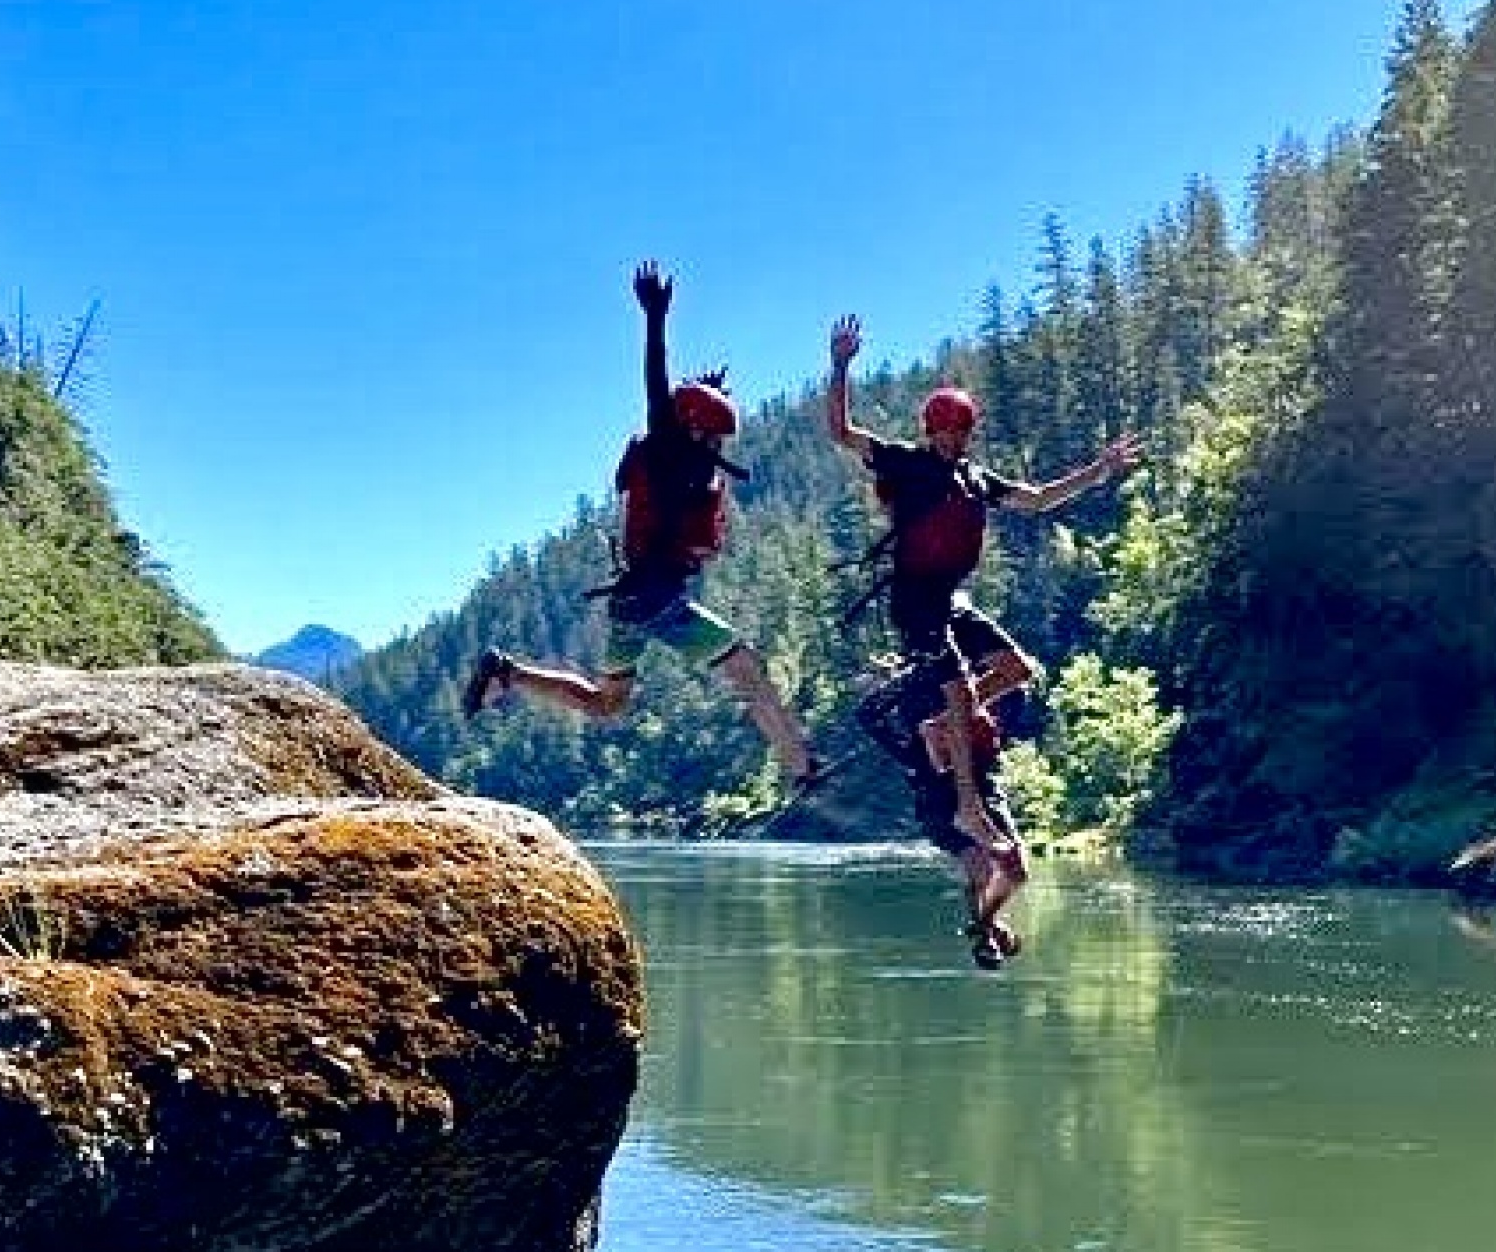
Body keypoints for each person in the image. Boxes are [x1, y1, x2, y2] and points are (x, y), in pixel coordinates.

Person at [463, 262, 821, 793]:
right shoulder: (665, 450)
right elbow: (657, 384)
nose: (722, 448)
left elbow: (677, 403)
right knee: (747, 668)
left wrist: (705, 386)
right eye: (716, 436)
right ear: (697, 429)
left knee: (607, 704)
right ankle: (802, 769)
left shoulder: (687, 459)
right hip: (659, 604)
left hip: (632, 603)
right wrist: (655, 318)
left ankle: (507, 672)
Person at [825, 311, 1142, 858]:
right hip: (913, 599)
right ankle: (969, 809)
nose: (952, 438)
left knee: (1018, 669)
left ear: (969, 432)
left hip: (949, 600)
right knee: (962, 691)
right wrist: (839, 366)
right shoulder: (906, 463)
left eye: (961, 430)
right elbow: (841, 433)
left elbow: (1038, 498)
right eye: (944, 430)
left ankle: (937, 727)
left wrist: (1099, 470)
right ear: (930, 430)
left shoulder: (976, 479)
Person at [855, 630, 1031, 970]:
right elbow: (868, 714)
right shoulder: (909, 686)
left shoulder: (971, 680)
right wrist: (907, 752)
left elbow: (1016, 691)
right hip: (935, 792)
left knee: (1016, 869)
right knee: (978, 865)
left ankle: (985, 925)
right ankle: (985, 933)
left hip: (983, 783)